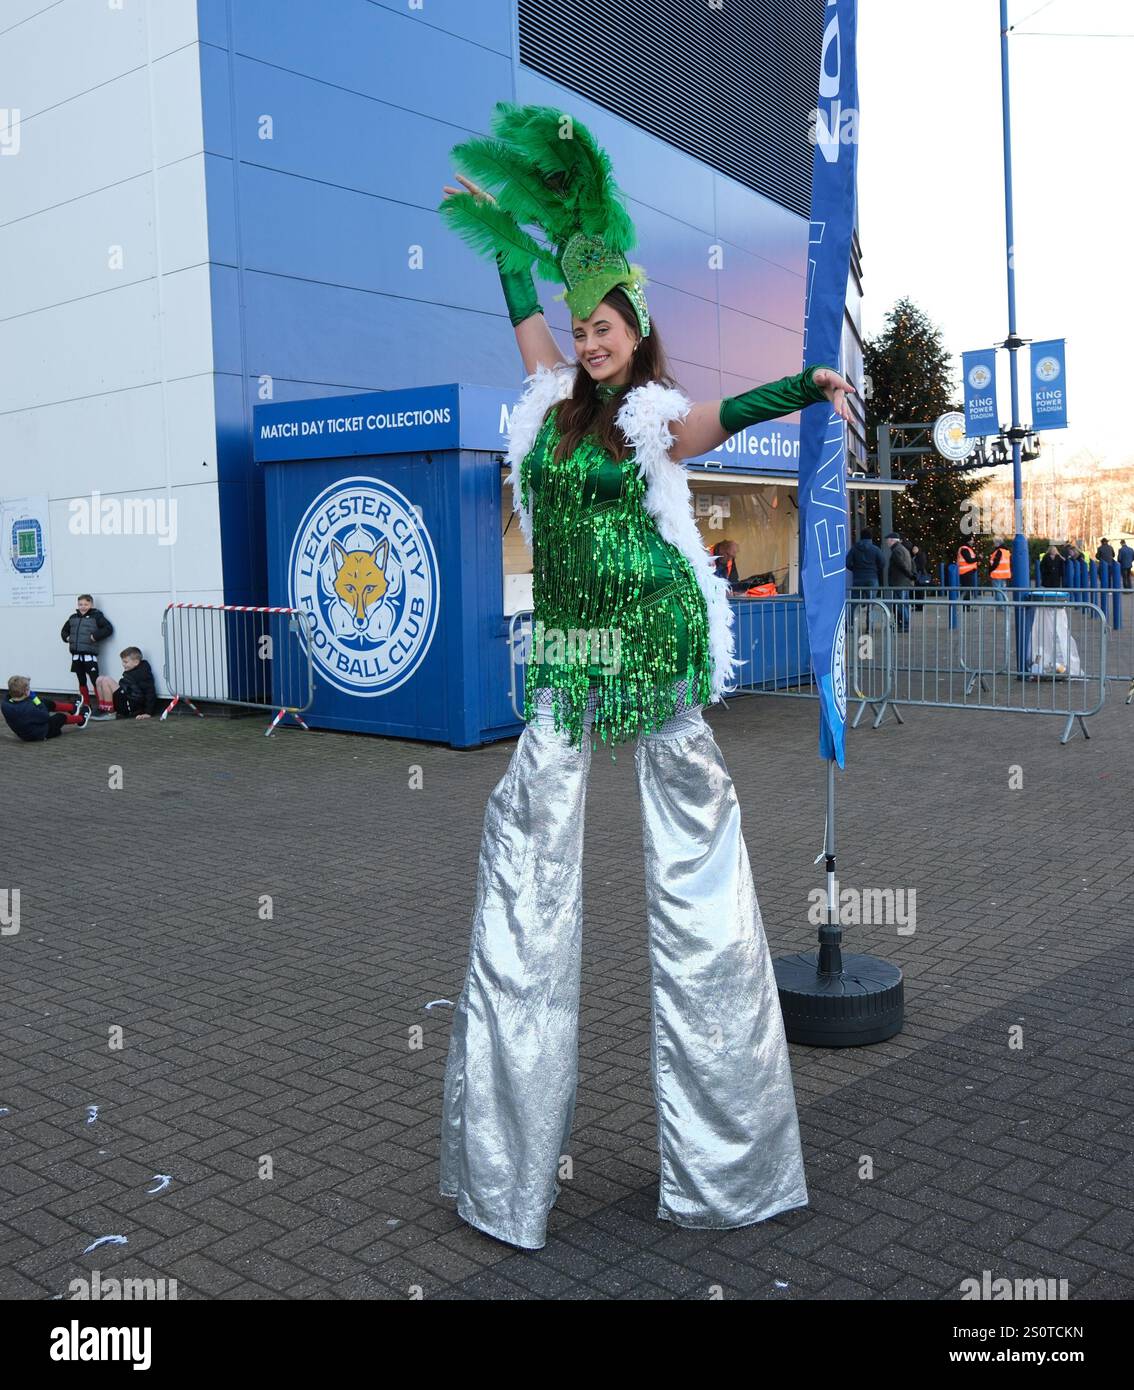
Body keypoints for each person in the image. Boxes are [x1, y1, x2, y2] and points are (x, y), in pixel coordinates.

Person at [435, 103, 855, 1251]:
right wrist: (500, 238)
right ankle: (503, 1172)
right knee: (524, 862)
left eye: (607, 324)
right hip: (571, 662)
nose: (589, 338)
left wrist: (810, 381)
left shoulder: (655, 422)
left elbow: (735, 410)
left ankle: (729, 1161)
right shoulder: (548, 406)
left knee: (699, 877)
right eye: (581, 326)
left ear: (640, 330)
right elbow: (522, 302)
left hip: (656, 656)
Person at [60, 594, 114, 717]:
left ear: (91, 605)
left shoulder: (97, 616)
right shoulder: (73, 617)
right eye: (80, 604)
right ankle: (86, 704)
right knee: (81, 680)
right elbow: (64, 631)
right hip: (76, 655)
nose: (83, 607)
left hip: (90, 655)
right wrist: (67, 637)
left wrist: (95, 636)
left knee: (95, 680)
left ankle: (102, 705)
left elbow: (108, 628)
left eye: (86, 604)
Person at [1, 676, 90, 740]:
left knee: (44, 702)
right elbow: (45, 716)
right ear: (25, 691)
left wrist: (35, 700)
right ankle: (81, 719)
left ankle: (72, 708)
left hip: (25, 732)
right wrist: (35, 698)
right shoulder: (28, 708)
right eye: (28, 688)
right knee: (59, 717)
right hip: (40, 734)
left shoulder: (5, 703)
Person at [103, 646, 159, 720]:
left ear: (136, 662)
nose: (123, 664)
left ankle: (110, 712)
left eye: (125, 662)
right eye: (122, 661)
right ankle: (103, 709)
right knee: (100, 680)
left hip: (132, 708)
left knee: (107, 680)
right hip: (127, 702)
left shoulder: (142, 674)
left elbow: (150, 692)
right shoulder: (132, 671)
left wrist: (148, 713)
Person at [845, 529, 885, 629]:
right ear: (871, 538)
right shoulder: (875, 549)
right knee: (871, 603)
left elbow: (848, 563)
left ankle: (850, 624)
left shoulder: (854, 549)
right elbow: (882, 563)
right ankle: (870, 626)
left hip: (858, 578)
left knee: (854, 602)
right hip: (872, 578)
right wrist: (875, 569)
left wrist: (855, 569)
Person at [883, 531, 915, 630]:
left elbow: (901, 565)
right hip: (904, 582)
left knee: (900, 604)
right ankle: (904, 624)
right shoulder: (903, 549)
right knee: (903, 603)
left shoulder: (896, 551)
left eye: (887, 541)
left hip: (898, 582)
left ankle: (903, 625)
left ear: (892, 541)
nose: (887, 543)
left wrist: (910, 575)